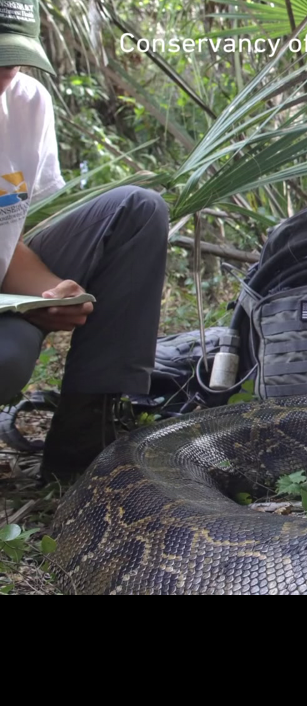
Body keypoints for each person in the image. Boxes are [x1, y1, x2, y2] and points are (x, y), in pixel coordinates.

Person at [0, 0, 168, 480]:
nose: (5, 74)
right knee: (6, 359)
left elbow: (6, 236)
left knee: (137, 211)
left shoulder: (26, 103)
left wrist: (48, 293)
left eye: (12, 59)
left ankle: (82, 448)